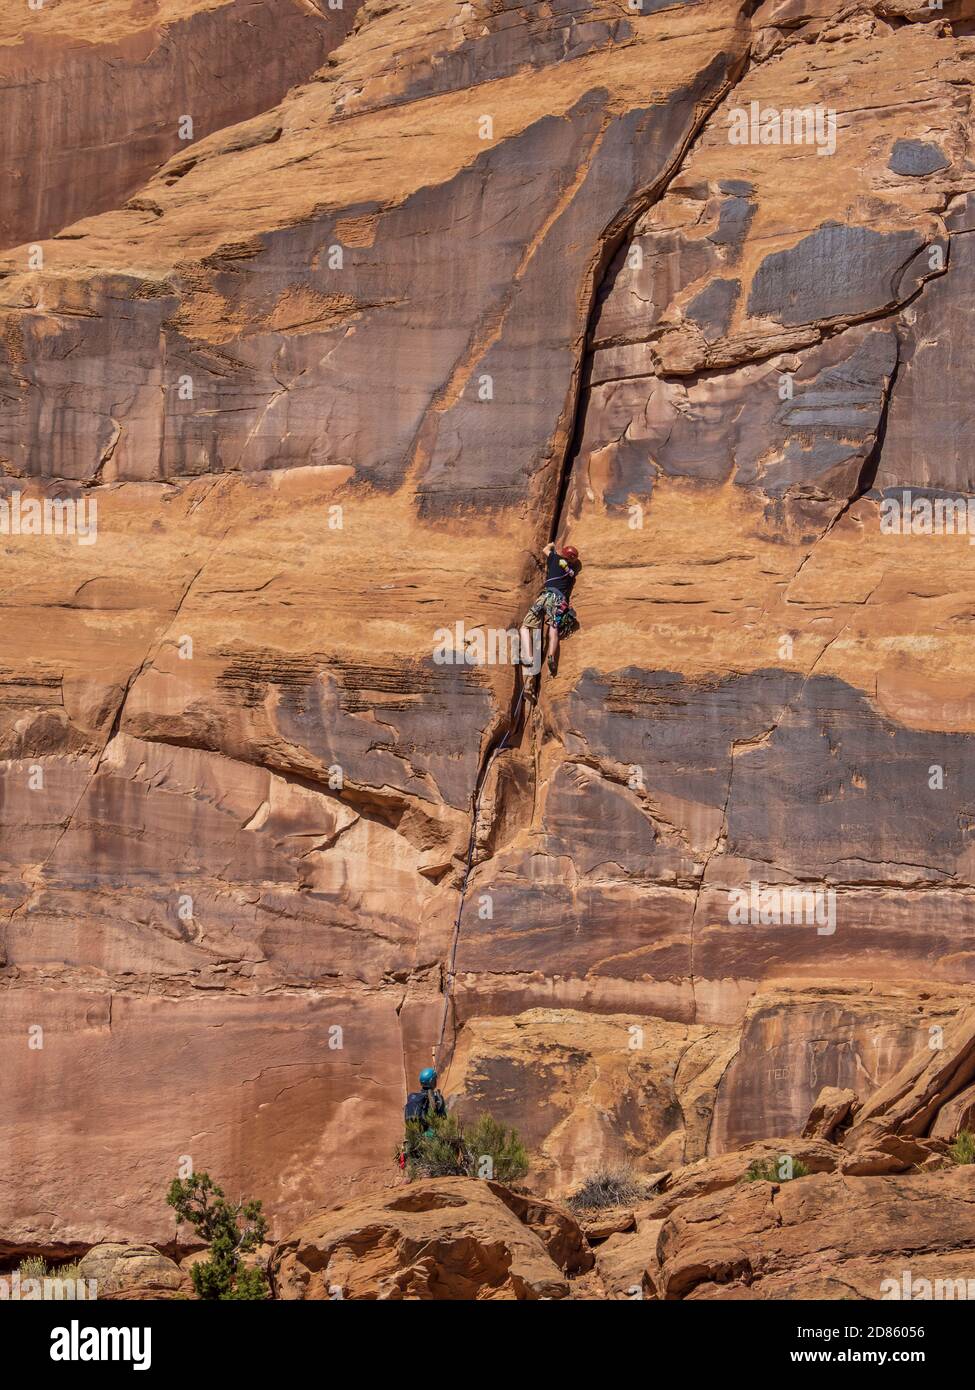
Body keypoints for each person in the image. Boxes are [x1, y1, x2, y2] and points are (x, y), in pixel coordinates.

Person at [519, 540, 580, 684]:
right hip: (558, 602)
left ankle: (529, 656)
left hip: (545, 597)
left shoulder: (555, 558)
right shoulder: (571, 573)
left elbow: (546, 549)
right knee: (553, 630)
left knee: (525, 627)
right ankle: (551, 656)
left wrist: (553, 544)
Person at [403, 1066, 447, 1137]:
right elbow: (443, 1117)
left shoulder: (413, 1096)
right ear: (432, 1081)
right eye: (435, 1079)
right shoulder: (436, 1097)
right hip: (429, 1135)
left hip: (413, 1136)